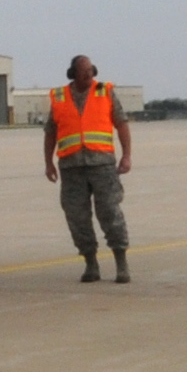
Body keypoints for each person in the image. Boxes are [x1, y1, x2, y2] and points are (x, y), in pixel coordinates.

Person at [44, 53, 134, 283]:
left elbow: (122, 124)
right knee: (77, 217)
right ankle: (90, 263)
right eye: (84, 71)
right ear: (73, 73)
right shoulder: (59, 97)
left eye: (91, 70)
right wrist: (48, 163)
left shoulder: (105, 92)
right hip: (71, 168)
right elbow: (50, 132)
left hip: (102, 165)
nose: (89, 74)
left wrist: (126, 157)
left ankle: (121, 263)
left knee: (110, 212)